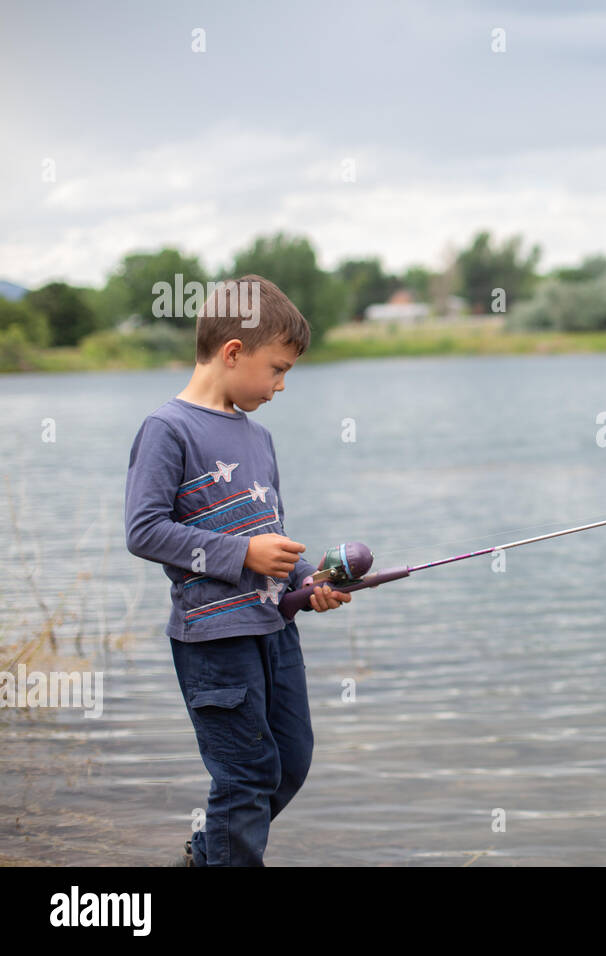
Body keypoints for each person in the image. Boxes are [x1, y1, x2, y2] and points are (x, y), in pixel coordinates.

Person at [124, 275, 350, 866]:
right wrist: (242, 555)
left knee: (289, 762)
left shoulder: (262, 438)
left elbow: (268, 532)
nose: (280, 385)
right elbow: (144, 532)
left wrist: (308, 579)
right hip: (215, 643)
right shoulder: (167, 430)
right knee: (246, 778)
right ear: (232, 353)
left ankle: (208, 857)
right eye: (277, 369)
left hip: (275, 631)